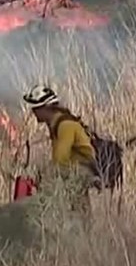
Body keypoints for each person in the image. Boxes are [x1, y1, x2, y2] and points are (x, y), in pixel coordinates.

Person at [22, 85, 97, 216]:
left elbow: (60, 160)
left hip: (83, 168)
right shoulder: (58, 123)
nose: (33, 112)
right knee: (78, 203)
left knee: (50, 174)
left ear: (45, 108)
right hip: (77, 167)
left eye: (35, 108)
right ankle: (81, 224)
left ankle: (47, 216)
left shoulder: (65, 125)